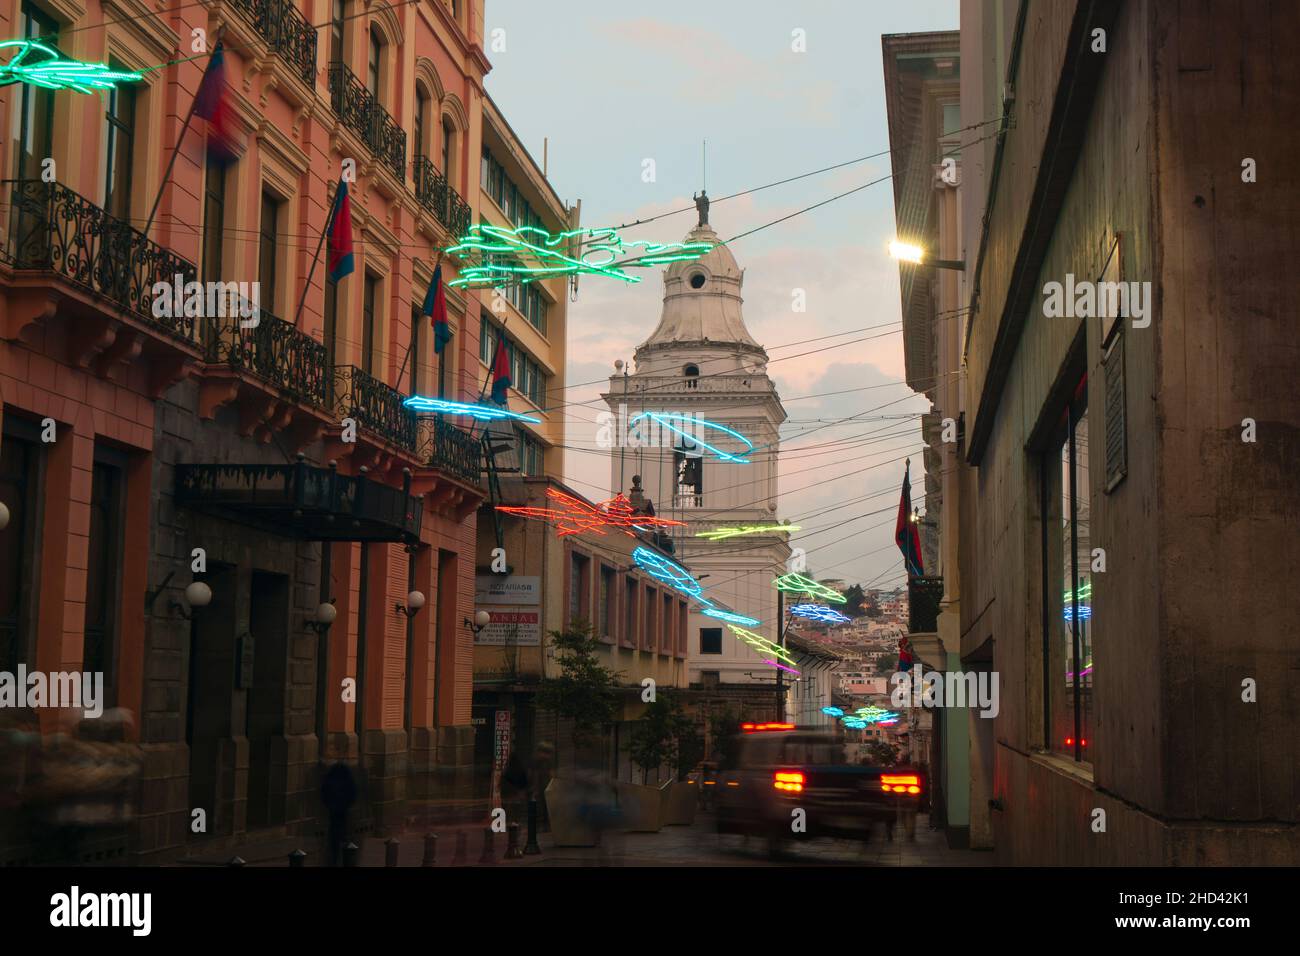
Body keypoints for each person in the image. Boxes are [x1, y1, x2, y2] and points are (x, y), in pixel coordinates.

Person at [320, 761, 357, 867]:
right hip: (341, 810)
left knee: (335, 834)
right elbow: (353, 793)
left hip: (334, 810)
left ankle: (335, 856)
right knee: (343, 832)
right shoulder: (346, 778)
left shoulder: (330, 778)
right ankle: (344, 855)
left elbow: (324, 793)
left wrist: (329, 804)